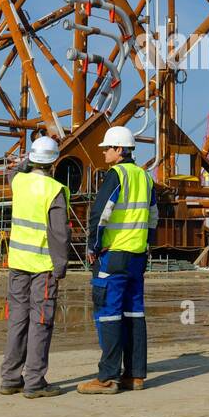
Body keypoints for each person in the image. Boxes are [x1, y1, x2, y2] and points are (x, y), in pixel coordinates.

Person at [78, 126, 157, 394]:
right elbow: (154, 217)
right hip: (137, 256)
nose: (104, 153)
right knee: (134, 314)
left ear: (120, 150)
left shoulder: (116, 174)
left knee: (108, 313)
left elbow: (100, 213)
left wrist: (93, 246)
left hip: (113, 256)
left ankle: (107, 378)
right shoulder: (145, 177)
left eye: (108, 148)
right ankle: (135, 376)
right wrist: (147, 245)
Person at [0, 136, 71, 399]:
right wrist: (60, 267)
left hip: (17, 262)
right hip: (43, 265)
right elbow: (59, 234)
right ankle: (34, 382)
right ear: (54, 161)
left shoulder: (18, 181)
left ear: (32, 158)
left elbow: (14, 170)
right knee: (40, 321)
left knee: (17, 319)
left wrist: (28, 159)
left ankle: (10, 378)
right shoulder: (55, 190)